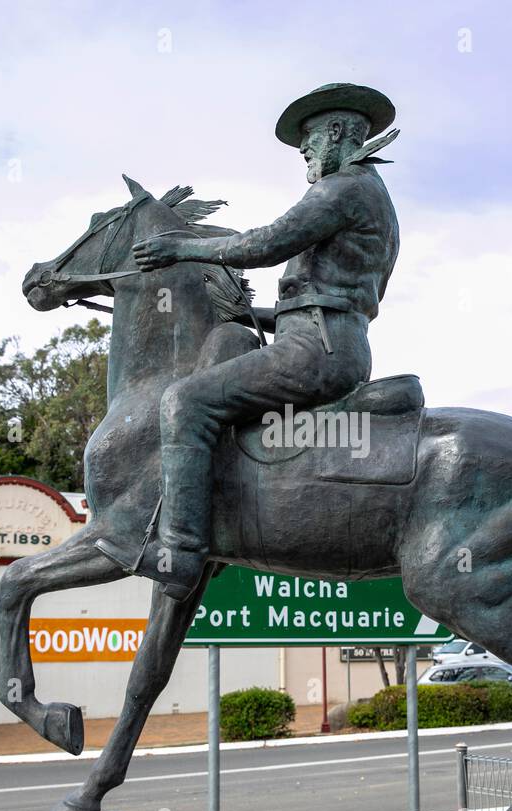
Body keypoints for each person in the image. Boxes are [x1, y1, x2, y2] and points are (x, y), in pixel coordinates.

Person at [101, 83, 402, 601]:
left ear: (336, 134)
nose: (304, 152)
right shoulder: (370, 197)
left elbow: (264, 243)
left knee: (186, 401)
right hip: (328, 338)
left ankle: (181, 547)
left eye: (308, 140)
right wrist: (255, 312)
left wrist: (185, 248)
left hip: (316, 351)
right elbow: (325, 299)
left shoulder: (345, 188)